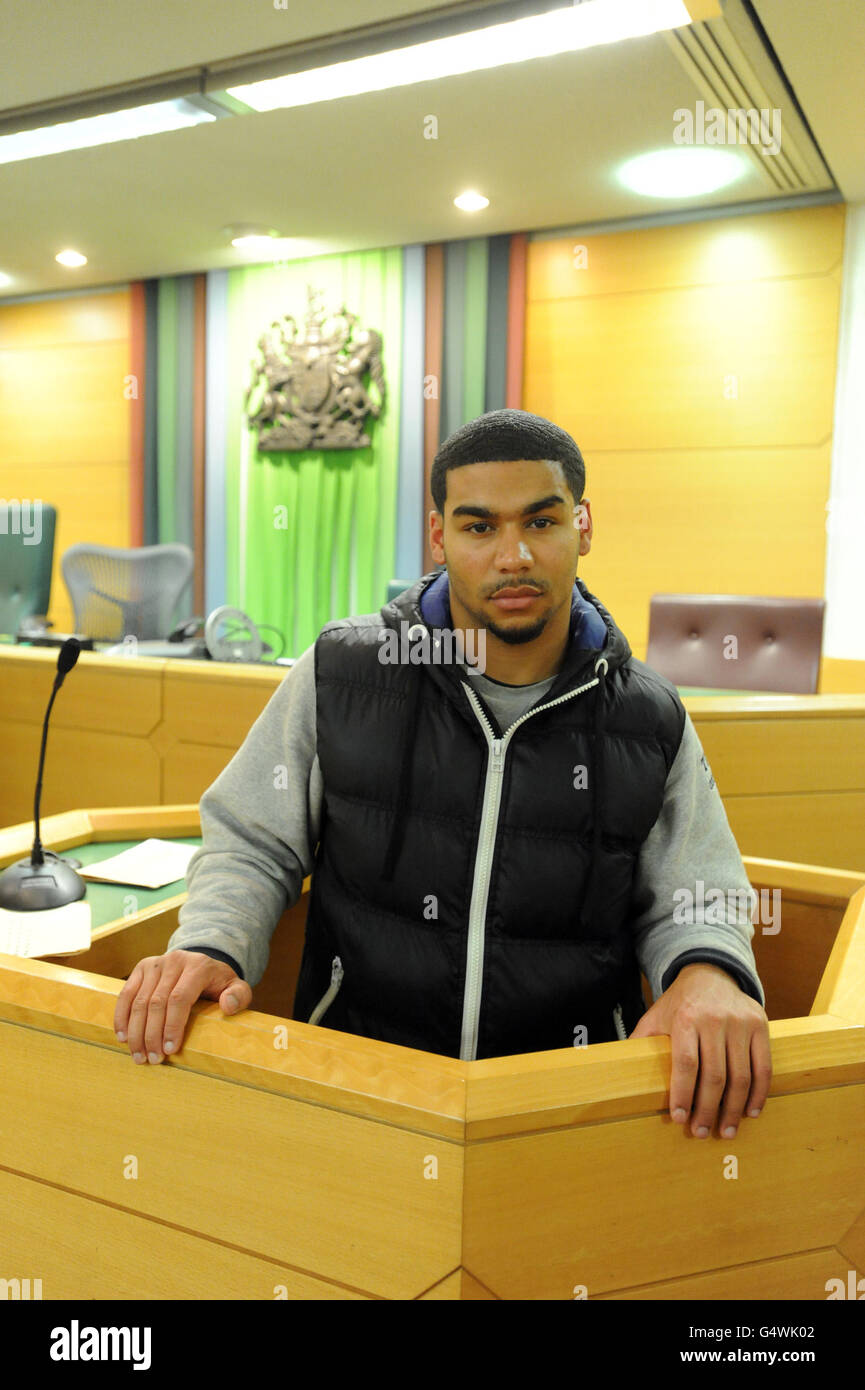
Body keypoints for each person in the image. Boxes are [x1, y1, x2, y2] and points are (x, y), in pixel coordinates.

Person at [114, 408, 771, 1141]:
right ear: (439, 538)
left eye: (542, 523)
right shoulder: (341, 672)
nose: (514, 555)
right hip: (355, 1087)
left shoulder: (648, 716)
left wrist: (709, 971)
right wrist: (210, 943)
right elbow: (251, 840)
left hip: (564, 1112)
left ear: (583, 526)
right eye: (479, 526)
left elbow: (698, 891)